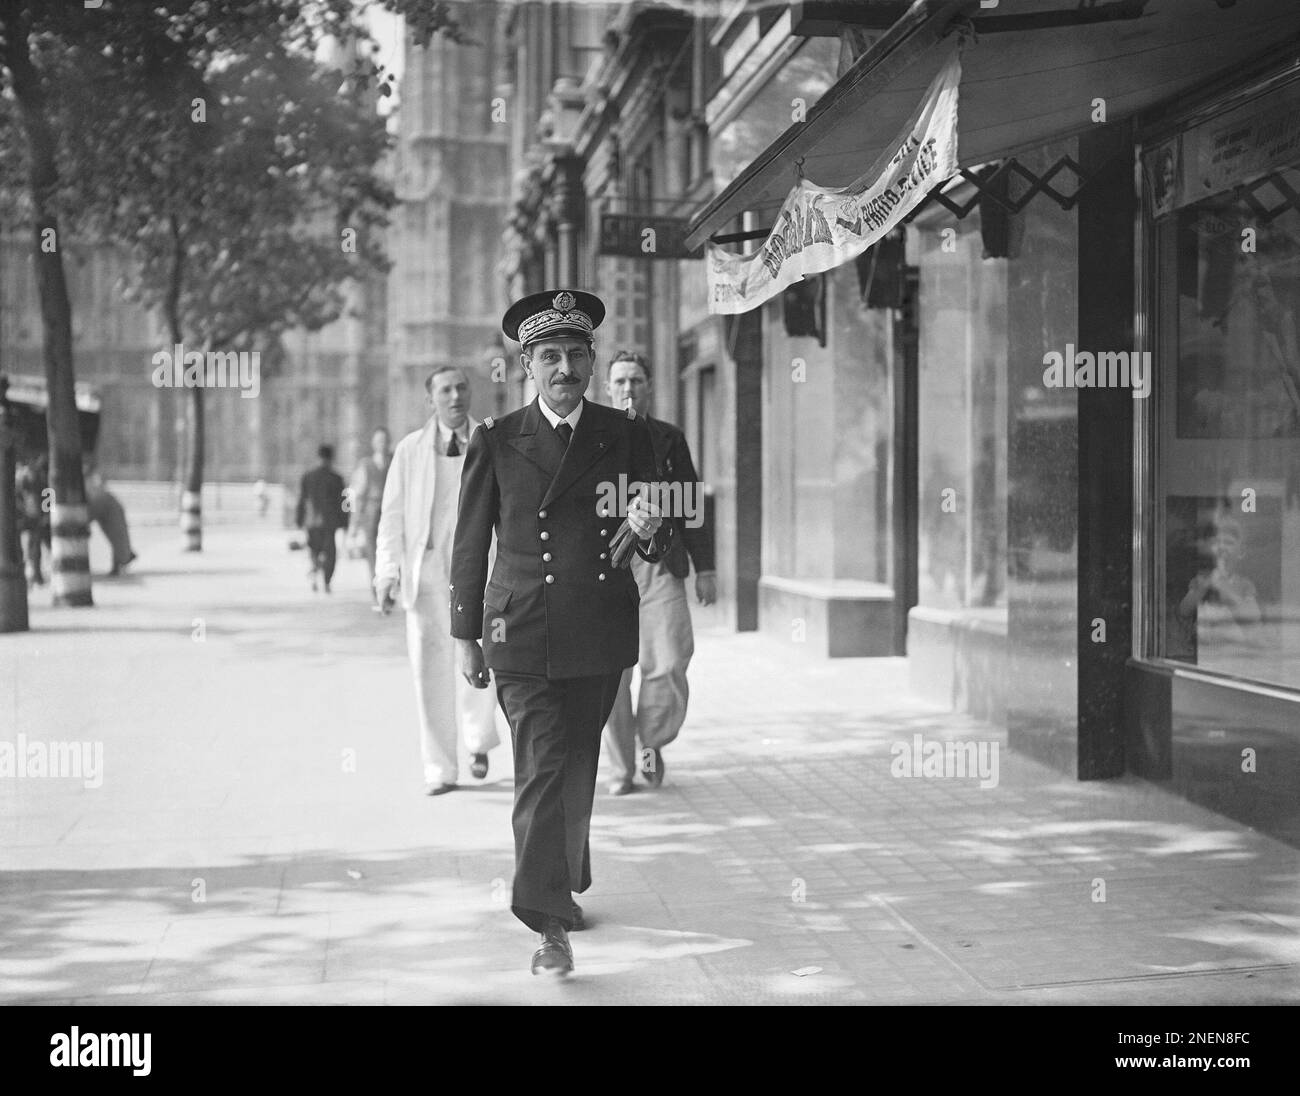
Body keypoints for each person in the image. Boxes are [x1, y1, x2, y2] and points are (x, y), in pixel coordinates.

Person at [450, 289, 669, 976]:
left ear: (593, 360)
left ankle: (565, 882)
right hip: (521, 629)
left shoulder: (626, 435)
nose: (565, 369)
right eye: (550, 357)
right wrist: (464, 634)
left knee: (576, 772)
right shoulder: (496, 439)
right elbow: (468, 543)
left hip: (599, 629)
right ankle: (547, 925)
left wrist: (651, 528)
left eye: (577, 355)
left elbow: (660, 525)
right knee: (543, 771)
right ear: (527, 367)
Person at [374, 369, 500, 795]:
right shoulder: (410, 451)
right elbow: (391, 515)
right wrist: (386, 572)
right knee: (429, 671)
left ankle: (478, 742)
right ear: (431, 400)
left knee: (478, 656)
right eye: (444, 390)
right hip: (426, 574)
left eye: (462, 387)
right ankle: (440, 769)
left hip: (478, 569)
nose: (455, 396)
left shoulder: (491, 440)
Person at [601, 351, 715, 795]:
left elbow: (692, 506)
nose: (628, 388)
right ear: (607, 389)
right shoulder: (590, 440)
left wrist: (705, 566)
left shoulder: (669, 439)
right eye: (620, 381)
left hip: (660, 565)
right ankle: (620, 768)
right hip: (606, 570)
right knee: (612, 672)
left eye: (636, 380)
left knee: (667, 661)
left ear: (649, 386)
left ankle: (651, 742)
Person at [296, 444, 346, 593]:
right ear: (332, 458)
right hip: (330, 522)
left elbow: (302, 500)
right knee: (330, 553)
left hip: (312, 522)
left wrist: (299, 519)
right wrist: (345, 521)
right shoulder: (337, 478)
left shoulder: (308, 477)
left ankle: (314, 571)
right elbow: (344, 502)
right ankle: (327, 580)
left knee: (314, 550)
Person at [348, 426, 393, 592]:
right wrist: (354, 523)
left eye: (385, 440)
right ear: (373, 443)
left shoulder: (395, 461)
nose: (382, 443)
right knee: (372, 550)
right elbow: (358, 494)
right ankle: (376, 586)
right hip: (371, 512)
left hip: (391, 511)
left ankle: (389, 583)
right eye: (379, 440)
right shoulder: (365, 465)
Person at [84, 458, 137, 576]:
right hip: (56, 508)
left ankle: (122, 555)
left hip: (73, 505)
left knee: (112, 506)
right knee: (111, 505)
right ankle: (123, 555)